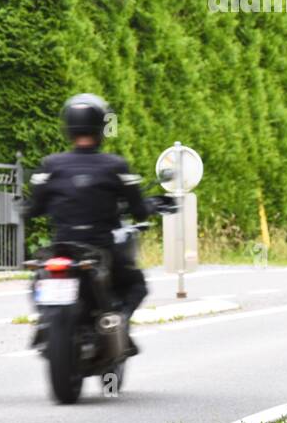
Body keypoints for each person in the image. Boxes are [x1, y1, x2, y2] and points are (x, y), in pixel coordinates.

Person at [22, 93, 174, 354]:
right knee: (136, 284)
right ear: (101, 127)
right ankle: (119, 321)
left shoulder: (50, 166)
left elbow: (33, 209)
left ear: (67, 126)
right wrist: (153, 205)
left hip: (62, 248)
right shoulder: (115, 166)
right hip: (101, 248)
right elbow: (138, 210)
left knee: (37, 279)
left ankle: (45, 320)